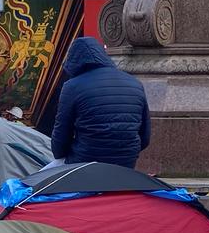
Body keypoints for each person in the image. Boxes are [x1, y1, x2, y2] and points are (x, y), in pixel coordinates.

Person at [51, 37, 151, 168]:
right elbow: (145, 136)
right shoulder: (135, 83)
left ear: (73, 60)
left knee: (38, 180)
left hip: (84, 163)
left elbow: (60, 142)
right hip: (126, 163)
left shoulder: (72, 86)